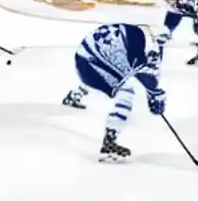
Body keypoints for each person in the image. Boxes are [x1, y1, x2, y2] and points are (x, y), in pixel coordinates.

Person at [61, 23, 168, 162]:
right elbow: (147, 76)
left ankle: (74, 95)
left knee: (109, 69)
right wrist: (155, 95)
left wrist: (153, 92)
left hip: (84, 57)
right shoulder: (145, 49)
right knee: (126, 90)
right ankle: (109, 142)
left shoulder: (137, 33)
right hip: (91, 63)